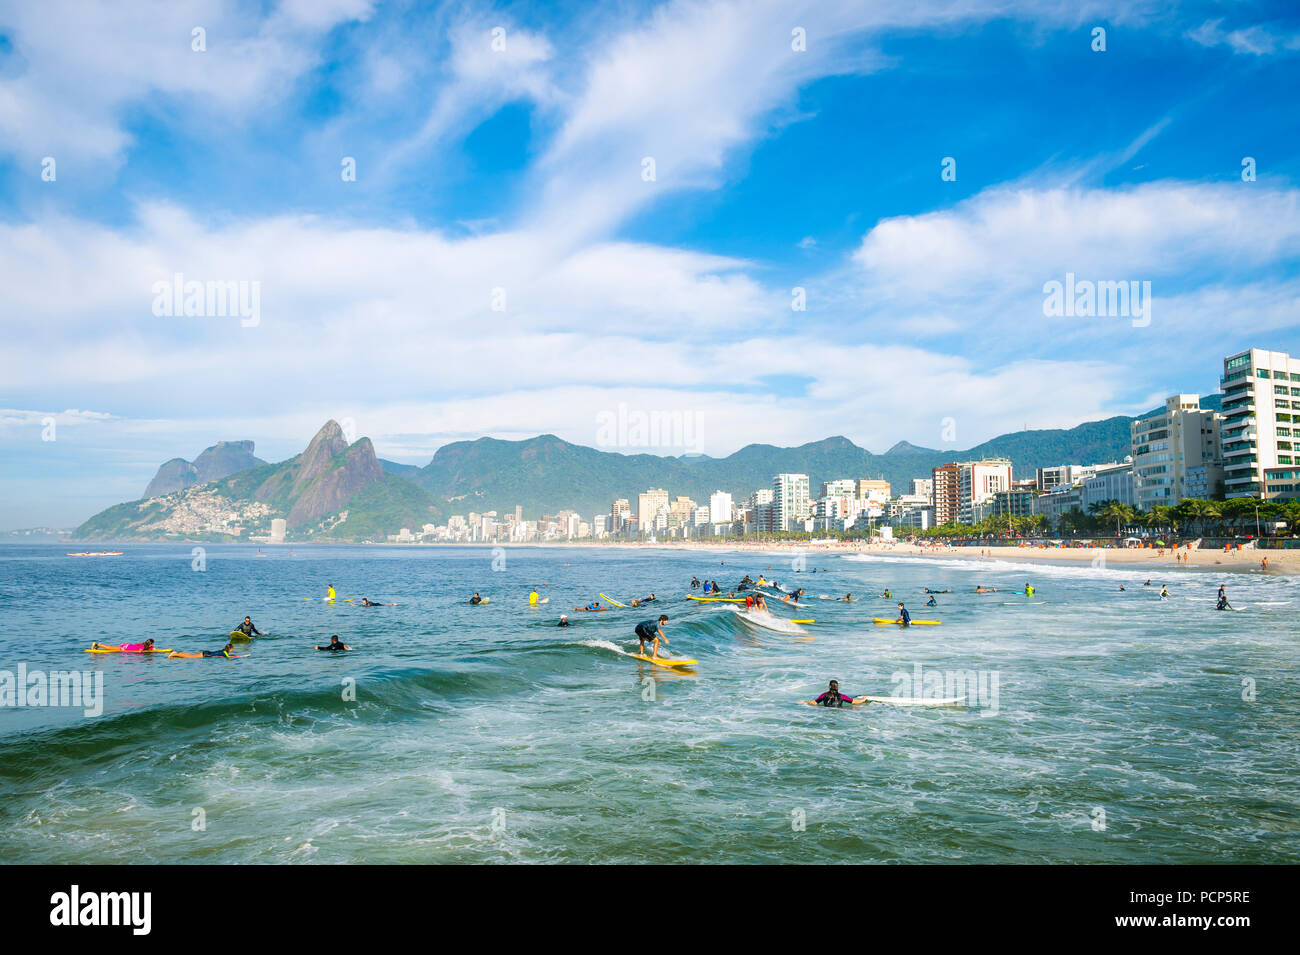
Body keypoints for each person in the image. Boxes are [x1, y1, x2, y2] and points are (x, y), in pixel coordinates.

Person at [800, 680, 867, 707]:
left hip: (827, 711)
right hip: (838, 711)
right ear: (837, 687)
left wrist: (805, 701)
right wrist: (863, 700)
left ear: (829, 686)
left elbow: (814, 703)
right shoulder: (842, 696)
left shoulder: (824, 695)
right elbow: (853, 702)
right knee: (853, 708)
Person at [168, 642, 235, 659]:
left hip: (207, 653)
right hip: (206, 654)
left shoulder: (223, 651)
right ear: (230, 649)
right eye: (232, 649)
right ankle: (174, 654)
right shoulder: (224, 652)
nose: (233, 650)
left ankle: (176, 653)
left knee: (190, 655)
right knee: (190, 657)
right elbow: (228, 657)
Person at [91, 639, 156, 652]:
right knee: (110, 648)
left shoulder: (142, 644)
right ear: (150, 644)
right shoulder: (143, 646)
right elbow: (140, 651)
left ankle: (97, 646)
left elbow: (154, 649)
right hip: (125, 648)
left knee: (111, 647)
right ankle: (98, 645)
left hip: (126, 645)